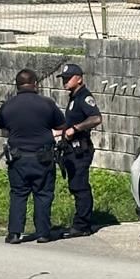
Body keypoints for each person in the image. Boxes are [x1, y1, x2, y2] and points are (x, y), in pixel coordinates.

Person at [0, 68, 65, 244]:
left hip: (18, 158)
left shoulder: (8, 105)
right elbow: (61, 124)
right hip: (43, 157)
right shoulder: (47, 104)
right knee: (43, 194)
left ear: (16, 85)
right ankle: (42, 233)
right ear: (35, 84)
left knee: (18, 194)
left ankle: (14, 233)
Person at [56, 62, 102, 238]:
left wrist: (75, 129)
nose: (65, 82)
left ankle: (82, 225)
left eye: (68, 78)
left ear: (79, 79)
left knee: (80, 186)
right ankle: (80, 223)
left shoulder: (84, 97)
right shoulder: (74, 97)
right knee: (75, 186)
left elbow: (96, 118)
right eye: (64, 79)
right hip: (71, 149)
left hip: (80, 150)